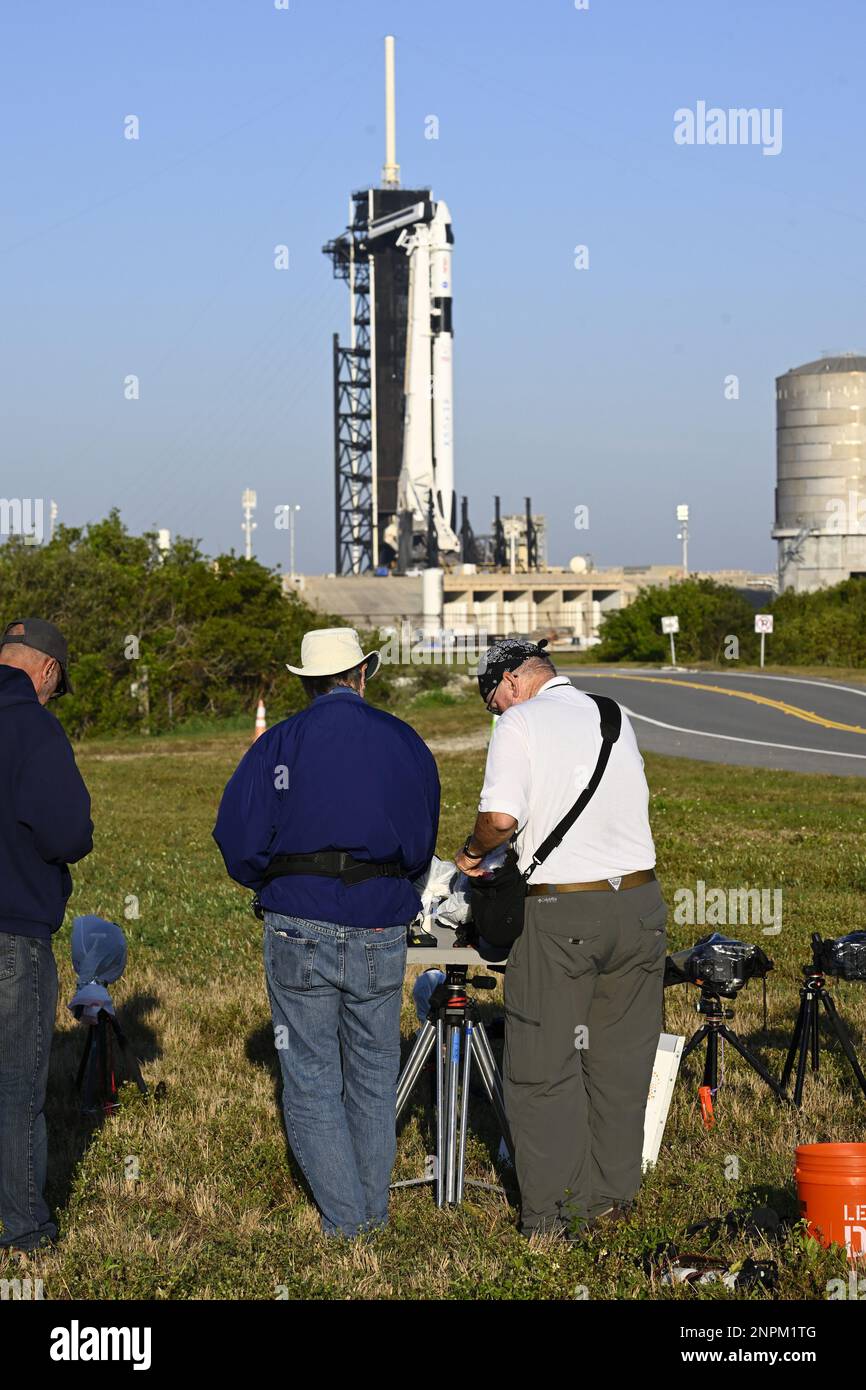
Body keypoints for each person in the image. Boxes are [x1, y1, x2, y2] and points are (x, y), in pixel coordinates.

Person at [213, 627, 440, 1238]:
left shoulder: (278, 743)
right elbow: (422, 840)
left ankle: (349, 1221)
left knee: (311, 1078)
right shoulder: (405, 741)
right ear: (363, 674)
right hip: (378, 921)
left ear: (307, 682)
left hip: (298, 922)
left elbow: (236, 838)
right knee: (372, 1074)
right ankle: (370, 1213)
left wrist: (280, 881)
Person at [455, 637, 666, 1240]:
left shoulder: (520, 722)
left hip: (565, 912)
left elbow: (500, 820)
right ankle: (612, 1201)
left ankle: (555, 1218)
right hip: (641, 905)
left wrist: (472, 854)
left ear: (513, 682)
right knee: (620, 1063)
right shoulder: (612, 713)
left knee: (543, 1068)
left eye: (493, 701)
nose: (496, 712)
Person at [0, 618, 93, 1255]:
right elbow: (66, 834)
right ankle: (26, 1228)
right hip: (13, 930)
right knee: (15, 1090)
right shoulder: (35, 727)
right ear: (47, 672)